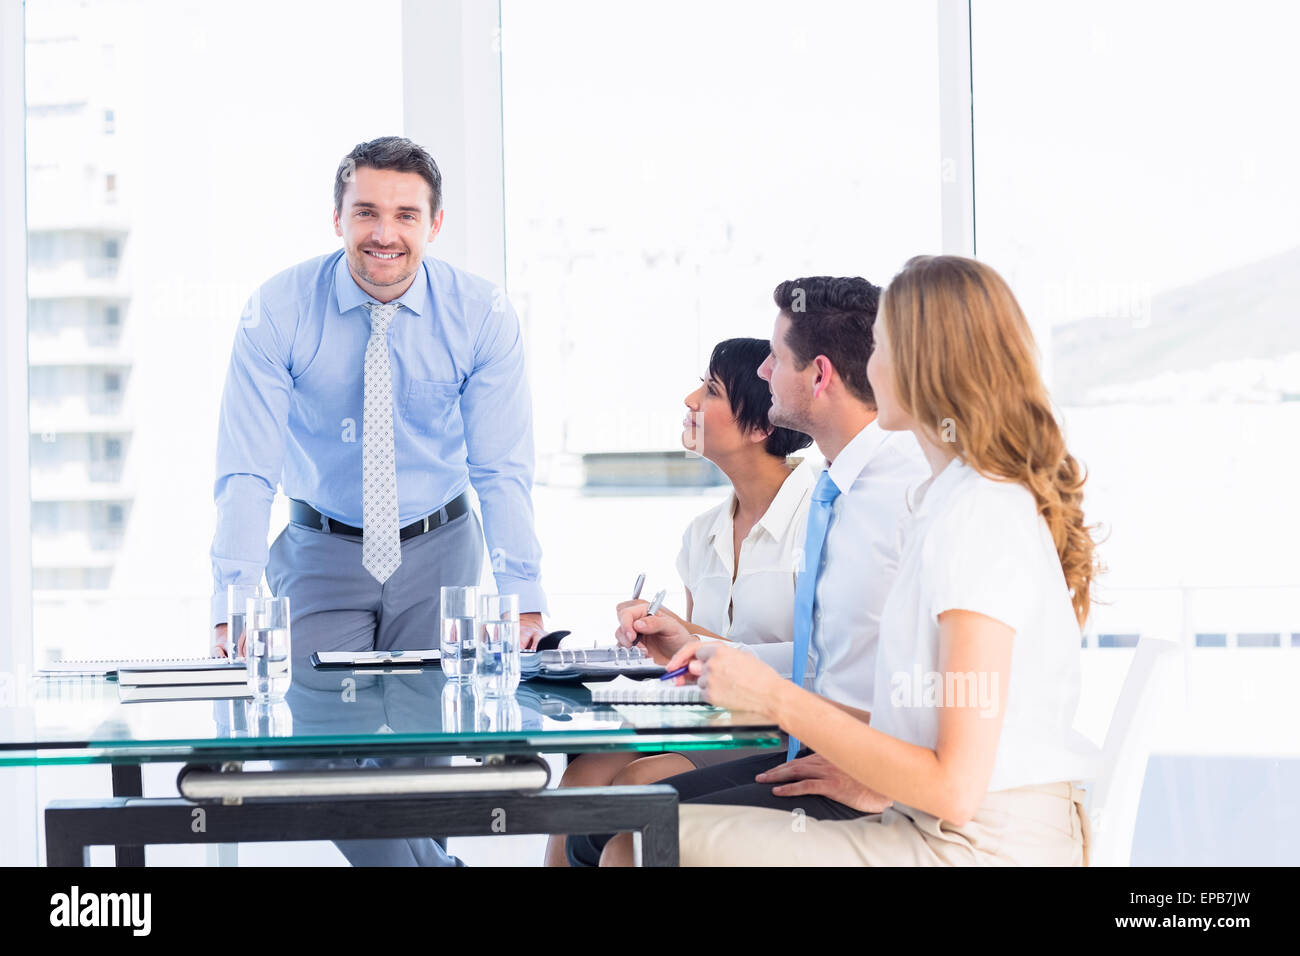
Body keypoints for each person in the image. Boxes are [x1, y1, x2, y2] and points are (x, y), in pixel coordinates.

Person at [609, 255, 1103, 866]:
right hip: (926, 819)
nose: (867, 367)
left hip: (981, 842)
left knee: (644, 846)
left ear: (924, 366)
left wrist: (775, 698)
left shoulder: (976, 513)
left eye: (882, 349)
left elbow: (955, 786)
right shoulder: (946, 497)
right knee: (638, 838)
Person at [208, 136, 548, 866]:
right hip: (320, 552)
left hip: (441, 552)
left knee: (429, 767)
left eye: (404, 214)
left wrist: (523, 591)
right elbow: (246, 470)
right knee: (308, 763)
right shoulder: (278, 310)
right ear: (337, 218)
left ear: (436, 223)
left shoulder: (481, 315)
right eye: (365, 212)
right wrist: (232, 594)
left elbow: (502, 468)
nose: (384, 233)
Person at [566, 276, 930, 866]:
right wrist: (700, 647)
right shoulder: (839, 490)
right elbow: (826, 656)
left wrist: (884, 772)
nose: (763, 373)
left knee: (630, 837)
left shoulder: (906, 490)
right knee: (596, 824)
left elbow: (948, 671)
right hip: (818, 745)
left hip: (864, 761)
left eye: (774, 359)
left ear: (818, 375)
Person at [543, 337, 815, 867]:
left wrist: (692, 643)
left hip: (786, 725)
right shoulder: (702, 533)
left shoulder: (820, 514)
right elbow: (708, 653)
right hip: (714, 718)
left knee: (640, 780)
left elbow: (819, 655)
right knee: (581, 778)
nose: (691, 400)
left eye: (711, 389)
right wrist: (670, 639)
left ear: (761, 426)